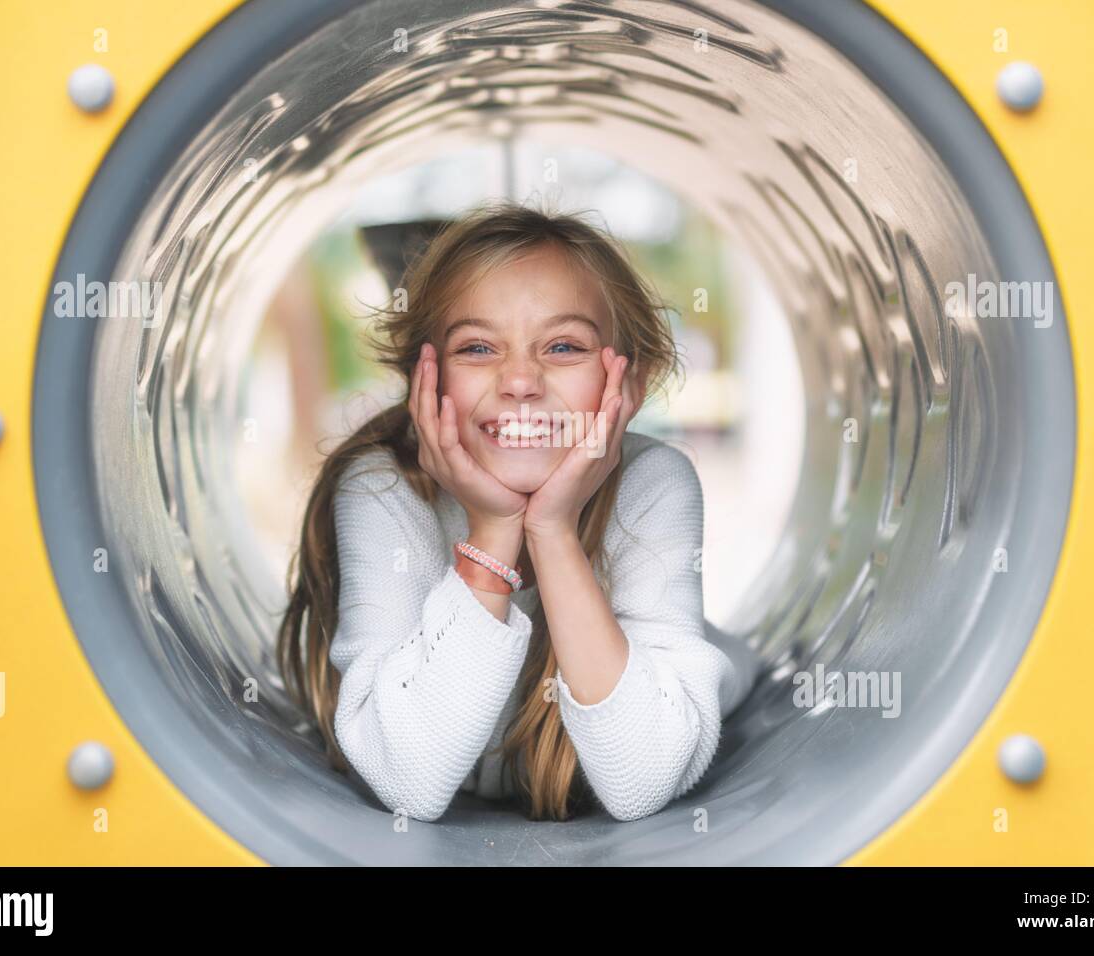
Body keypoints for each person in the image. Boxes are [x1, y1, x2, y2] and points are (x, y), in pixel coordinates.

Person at [276, 198, 760, 823]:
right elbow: (408, 779)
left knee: (716, 670)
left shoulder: (651, 483)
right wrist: (495, 530)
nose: (521, 381)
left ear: (632, 384)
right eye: (478, 349)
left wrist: (553, 529)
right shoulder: (385, 489)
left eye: (562, 346)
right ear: (427, 383)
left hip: (682, 685)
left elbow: (642, 778)